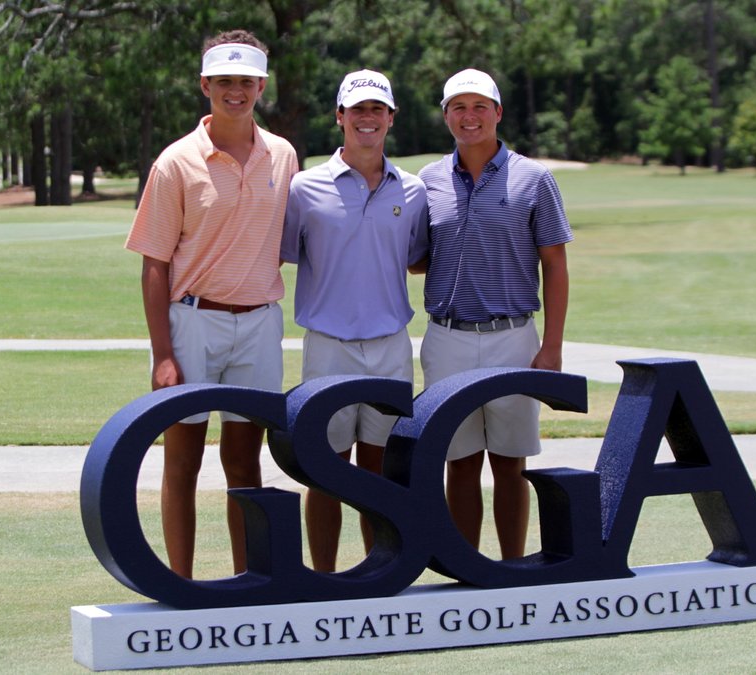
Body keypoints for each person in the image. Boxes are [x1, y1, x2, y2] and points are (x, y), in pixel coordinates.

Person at [124, 30, 298, 578]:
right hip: (192, 320)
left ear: (261, 86)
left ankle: (247, 579)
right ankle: (182, 582)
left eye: (246, 81)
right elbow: (154, 263)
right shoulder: (176, 163)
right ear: (205, 85)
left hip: (259, 323)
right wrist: (162, 354)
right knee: (183, 460)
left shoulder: (283, 155)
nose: (235, 91)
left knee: (246, 459)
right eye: (224, 81)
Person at [415, 68, 573, 560]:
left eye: (480, 106)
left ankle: (511, 567)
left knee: (510, 463)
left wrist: (551, 346)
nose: (469, 117)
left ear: (498, 113)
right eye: (458, 108)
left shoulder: (534, 178)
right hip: (447, 336)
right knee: (459, 461)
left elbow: (555, 262)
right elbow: (418, 257)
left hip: (513, 337)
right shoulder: (427, 181)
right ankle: (469, 571)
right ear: (445, 117)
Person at [280, 69, 428, 572]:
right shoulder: (304, 188)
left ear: (391, 117)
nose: (368, 119)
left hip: (390, 345)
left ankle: (379, 572)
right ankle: (323, 577)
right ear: (340, 116)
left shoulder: (412, 191)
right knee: (325, 470)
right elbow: (283, 254)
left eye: (377, 110)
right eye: (357, 109)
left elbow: (415, 257)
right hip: (328, 345)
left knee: (381, 470)